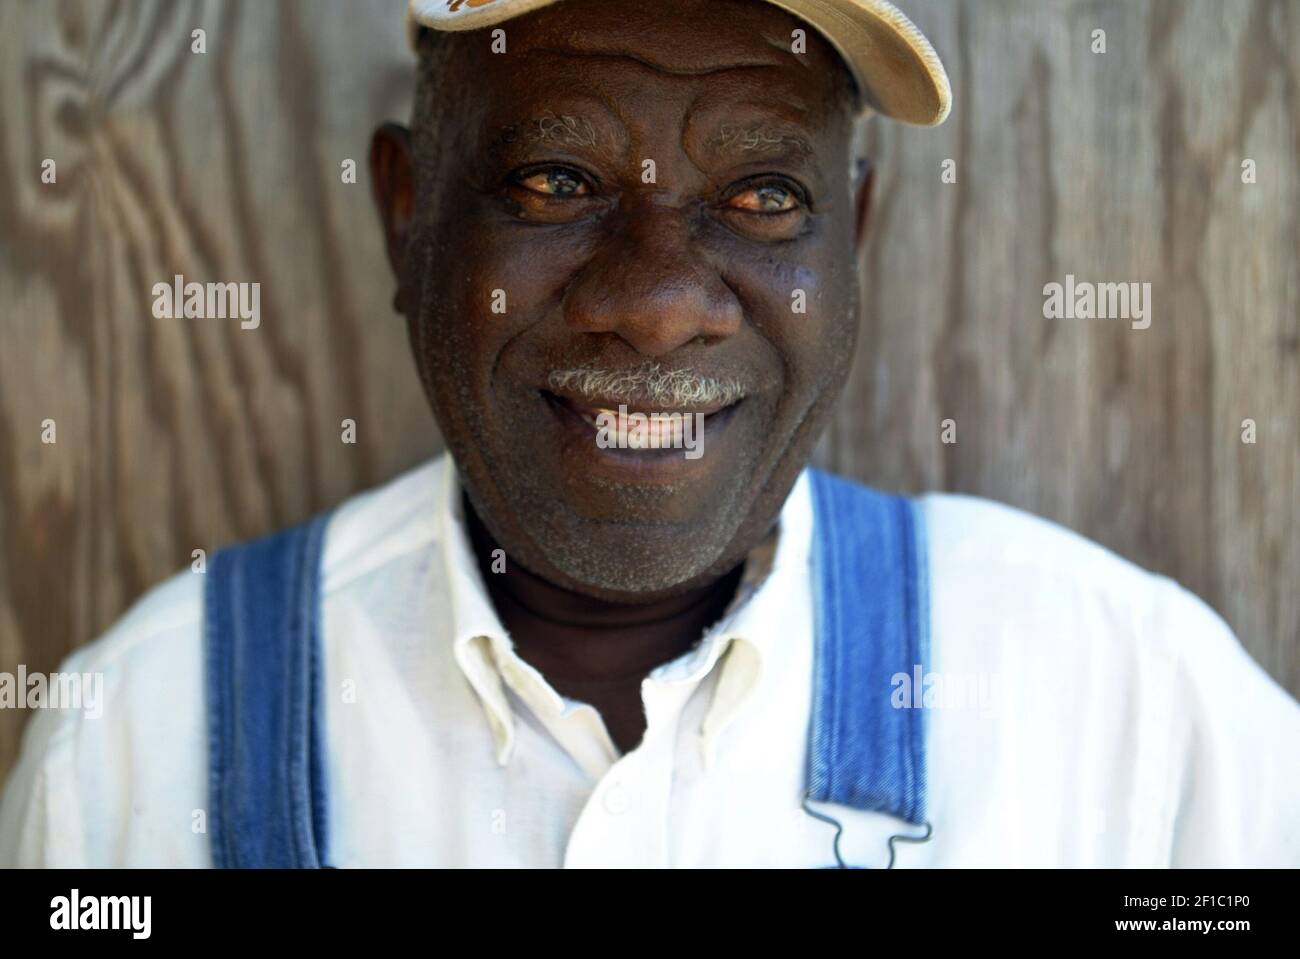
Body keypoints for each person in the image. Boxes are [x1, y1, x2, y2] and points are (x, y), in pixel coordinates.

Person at [2, 0, 1297, 868]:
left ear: (855, 236)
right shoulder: (148, 741)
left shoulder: (1135, 714)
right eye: (556, 182)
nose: (660, 303)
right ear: (408, 216)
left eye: (763, 193)